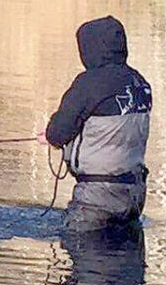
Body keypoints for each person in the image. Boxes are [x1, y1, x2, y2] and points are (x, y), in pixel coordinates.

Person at [43, 16, 152, 232]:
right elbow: (109, 128)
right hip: (135, 194)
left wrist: (51, 137)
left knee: (83, 254)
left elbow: (57, 133)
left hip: (97, 198)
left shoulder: (89, 83)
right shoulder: (140, 83)